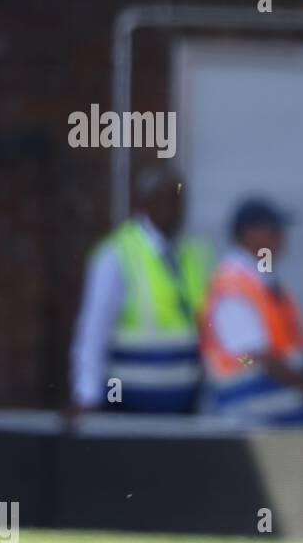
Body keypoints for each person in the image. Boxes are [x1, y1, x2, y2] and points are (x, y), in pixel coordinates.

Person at [69, 167, 211, 416]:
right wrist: (86, 395)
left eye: (179, 200)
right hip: (131, 406)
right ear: (145, 204)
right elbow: (93, 331)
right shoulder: (117, 254)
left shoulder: (193, 254)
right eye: (166, 200)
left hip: (185, 406)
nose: (175, 209)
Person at [198, 198, 303, 425]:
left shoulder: (264, 283)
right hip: (250, 422)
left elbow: (293, 345)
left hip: (279, 420)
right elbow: (252, 357)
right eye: (273, 230)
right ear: (249, 234)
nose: (281, 238)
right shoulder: (232, 286)